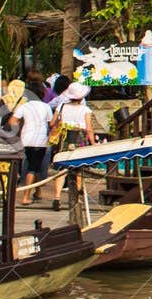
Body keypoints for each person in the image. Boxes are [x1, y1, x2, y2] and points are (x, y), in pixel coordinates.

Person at [52, 82, 97, 217]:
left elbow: (52, 122)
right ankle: (77, 197)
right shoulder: (85, 110)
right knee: (78, 168)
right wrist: (93, 142)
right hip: (80, 138)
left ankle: (57, 197)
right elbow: (89, 128)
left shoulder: (61, 106)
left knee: (61, 169)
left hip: (64, 138)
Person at [10, 85, 54, 206]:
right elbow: (51, 124)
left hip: (26, 139)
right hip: (40, 140)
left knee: (36, 164)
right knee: (33, 167)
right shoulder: (46, 107)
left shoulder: (24, 106)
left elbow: (12, 121)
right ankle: (26, 197)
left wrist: (22, 125)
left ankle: (38, 191)